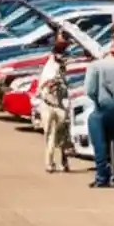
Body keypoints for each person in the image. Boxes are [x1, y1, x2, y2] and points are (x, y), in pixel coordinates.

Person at [84, 37, 114, 187]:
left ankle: (102, 177)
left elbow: (90, 90)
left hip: (101, 108)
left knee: (100, 145)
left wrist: (98, 99)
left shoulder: (95, 66)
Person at [38, 30, 72, 173]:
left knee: (63, 134)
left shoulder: (68, 63)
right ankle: (49, 162)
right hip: (47, 103)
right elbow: (43, 84)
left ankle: (64, 160)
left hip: (61, 104)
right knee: (49, 134)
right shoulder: (50, 64)